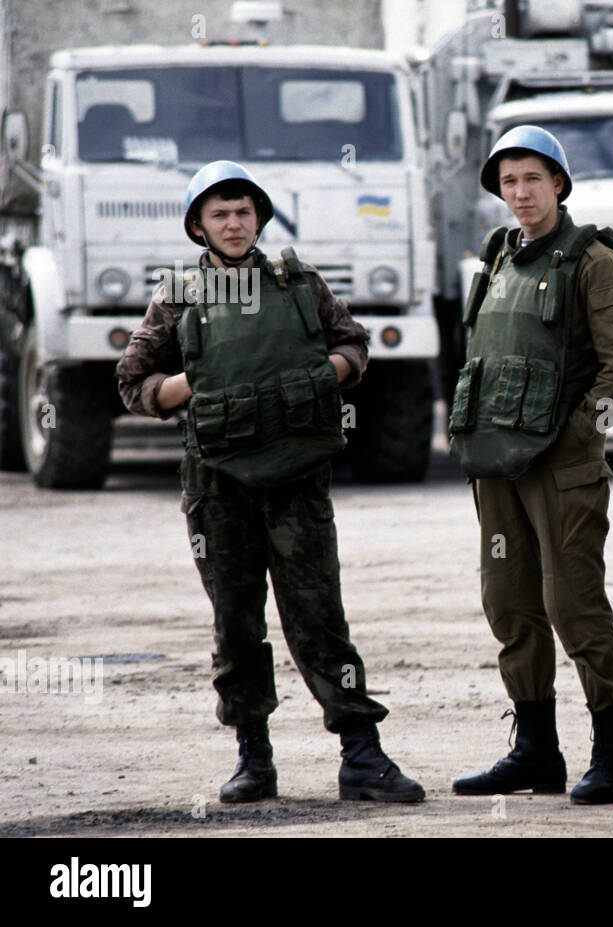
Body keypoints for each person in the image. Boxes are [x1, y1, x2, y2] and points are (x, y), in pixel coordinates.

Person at [116, 160, 424, 804]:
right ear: (198, 226)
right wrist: (192, 384)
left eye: (243, 212)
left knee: (318, 616)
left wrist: (321, 376)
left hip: (296, 477)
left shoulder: (295, 281)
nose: (233, 224)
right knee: (235, 623)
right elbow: (132, 383)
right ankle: (253, 758)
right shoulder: (178, 295)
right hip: (217, 482)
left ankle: (361, 756)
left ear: (259, 218)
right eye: (219, 214)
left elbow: (354, 345)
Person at [447, 125, 613, 804]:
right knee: (509, 604)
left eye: (532, 178)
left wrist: (572, 437)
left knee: (574, 604)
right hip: (498, 465)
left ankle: (611, 757)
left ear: (559, 183)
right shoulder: (498, 256)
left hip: (559, 469)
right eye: (508, 181)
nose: (521, 192)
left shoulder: (590, 259)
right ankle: (536, 750)